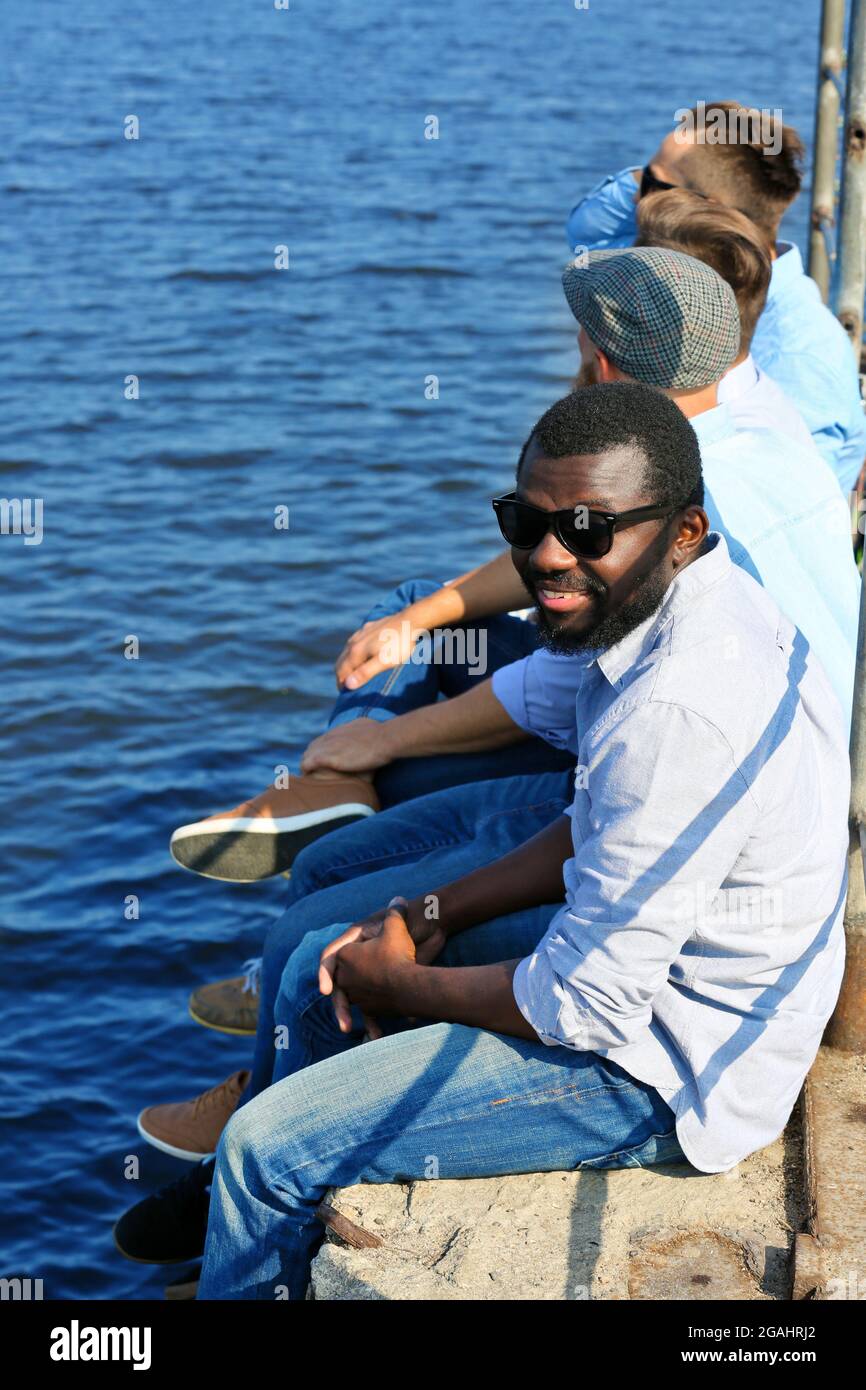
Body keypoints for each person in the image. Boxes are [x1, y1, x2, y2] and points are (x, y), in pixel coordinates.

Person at [114, 385, 849, 1295]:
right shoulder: (667, 613)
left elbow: (585, 1006)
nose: (547, 555)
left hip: (676, 1066)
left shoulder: (679, 708)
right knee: (317, 966)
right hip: (657, 972)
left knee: (273, 1149)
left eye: (586, 529)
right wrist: (426, 909)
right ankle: (250, 1226)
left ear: (685, 530)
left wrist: (405, 981)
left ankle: (250, 1197)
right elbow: (593, 830)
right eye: (525, 520)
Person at [566, 100, 866, 492]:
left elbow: (774, 507)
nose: (637, 197)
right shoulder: (692, 268)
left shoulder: (797, 357)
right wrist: (663, 172)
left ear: (703, 210)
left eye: (652, 185)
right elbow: (587, 229)